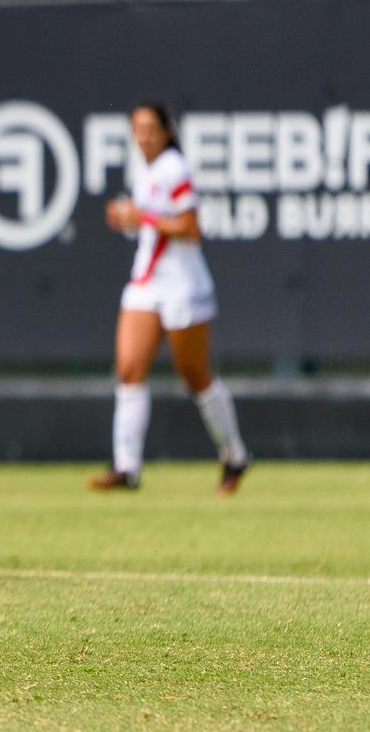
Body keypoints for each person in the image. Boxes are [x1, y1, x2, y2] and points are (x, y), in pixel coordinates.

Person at [87, 101, 251, 495]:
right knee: (129, 369)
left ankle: (234, 455)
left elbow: (190, 228)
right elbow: (151, 224)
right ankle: (127, 466)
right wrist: (128, 217)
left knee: (195, 376)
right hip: (147, 284)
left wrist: (140, 217)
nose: (143, 137)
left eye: (150, 130)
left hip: (182, 286)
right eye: (137, 129)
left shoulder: (175, 168)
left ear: (166, 132)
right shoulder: (144, 171)